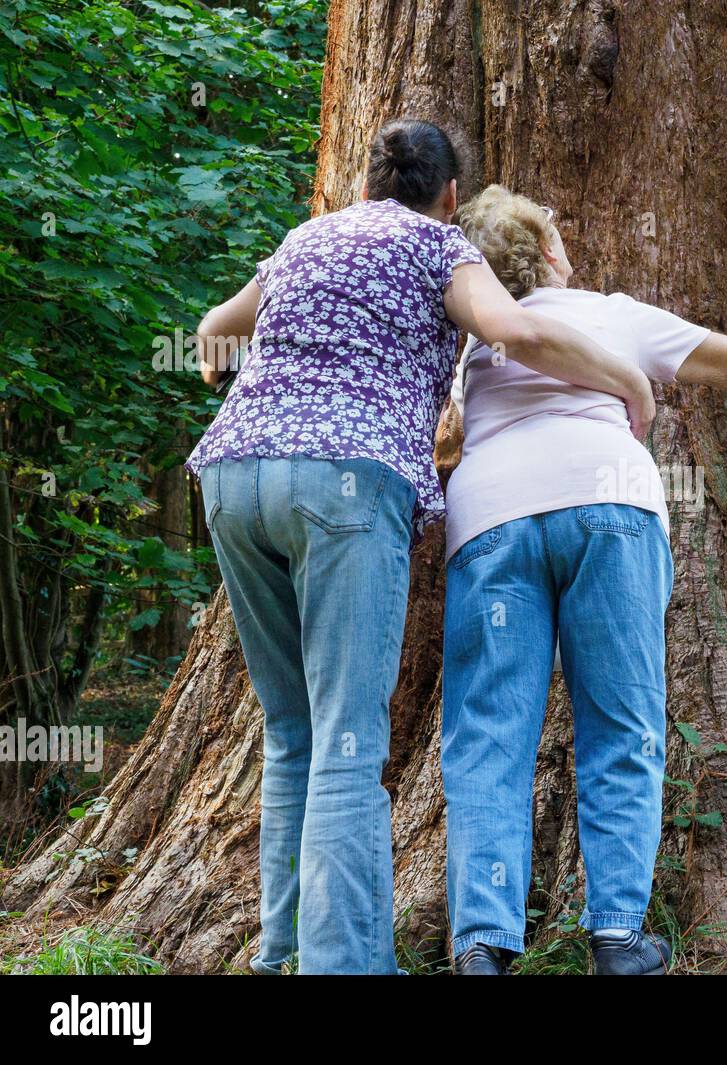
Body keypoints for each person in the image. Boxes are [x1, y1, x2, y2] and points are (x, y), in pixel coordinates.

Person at [186, 125, 655, 975]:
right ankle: (343, 970)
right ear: (448, 197)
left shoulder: (306, 238)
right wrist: (627, 378)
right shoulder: (442, 247)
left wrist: (270, 380)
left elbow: (213, 337)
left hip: (230, 476)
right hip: (344, 486)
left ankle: (277, 953)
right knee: (346, 736)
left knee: (291, 728)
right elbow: (514, 330)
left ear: (367, 186)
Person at [440, 184, 727, 975]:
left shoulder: (473, 343)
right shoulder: (610, 315)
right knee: (622, 722)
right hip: (608, 503)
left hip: (490, 520)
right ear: (547, 253)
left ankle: (483, 945)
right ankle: (616, 935)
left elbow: (445, 437)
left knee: (488, 739)